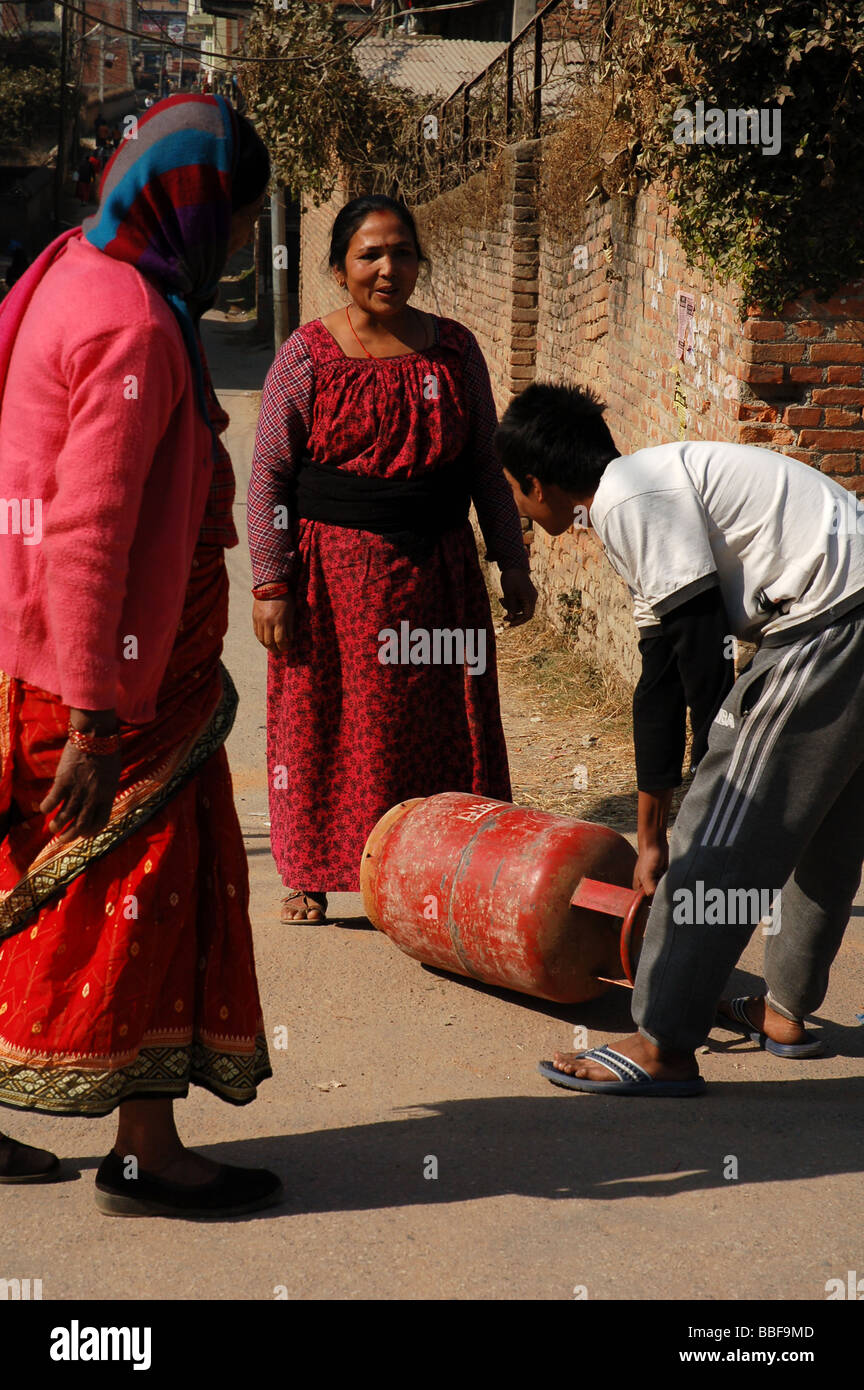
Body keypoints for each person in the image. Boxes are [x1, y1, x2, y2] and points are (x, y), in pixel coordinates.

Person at [0, 95, 281, 1215]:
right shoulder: (133, 322)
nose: (247, 239)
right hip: (105, 675)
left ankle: (135, 1134)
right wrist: (94, 717)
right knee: (139, 893)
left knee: (36, 879)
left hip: (29, 641)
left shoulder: (74, 260)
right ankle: (148, 1151)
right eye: (245, 216)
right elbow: (90, 527)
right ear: (199, 206)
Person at [494, 383, 864, 1096]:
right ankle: (784, 1012)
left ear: (536, 482)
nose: (515, 507)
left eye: (513, 492)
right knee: (830, 829)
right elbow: (659, 683)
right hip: (849, 605)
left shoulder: (629, 498)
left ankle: (662, 1041)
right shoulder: (645, 490)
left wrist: (707, 789)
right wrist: (650, 834)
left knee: (722, 835)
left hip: (832, 618)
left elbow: (702, 654)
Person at [248, 194, 537, 923]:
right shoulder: (307, 356)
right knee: (328, 722)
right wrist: (271, 581)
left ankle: (446, 869)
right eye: (369, 255)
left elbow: (483, 466)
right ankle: (312, 871)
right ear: (340, 268)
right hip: (331, 583)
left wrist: (512, 561)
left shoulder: (455, 350)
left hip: (439, 576)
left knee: (439, 722)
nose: (388, 268)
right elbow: (270, 478)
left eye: (401, 252)